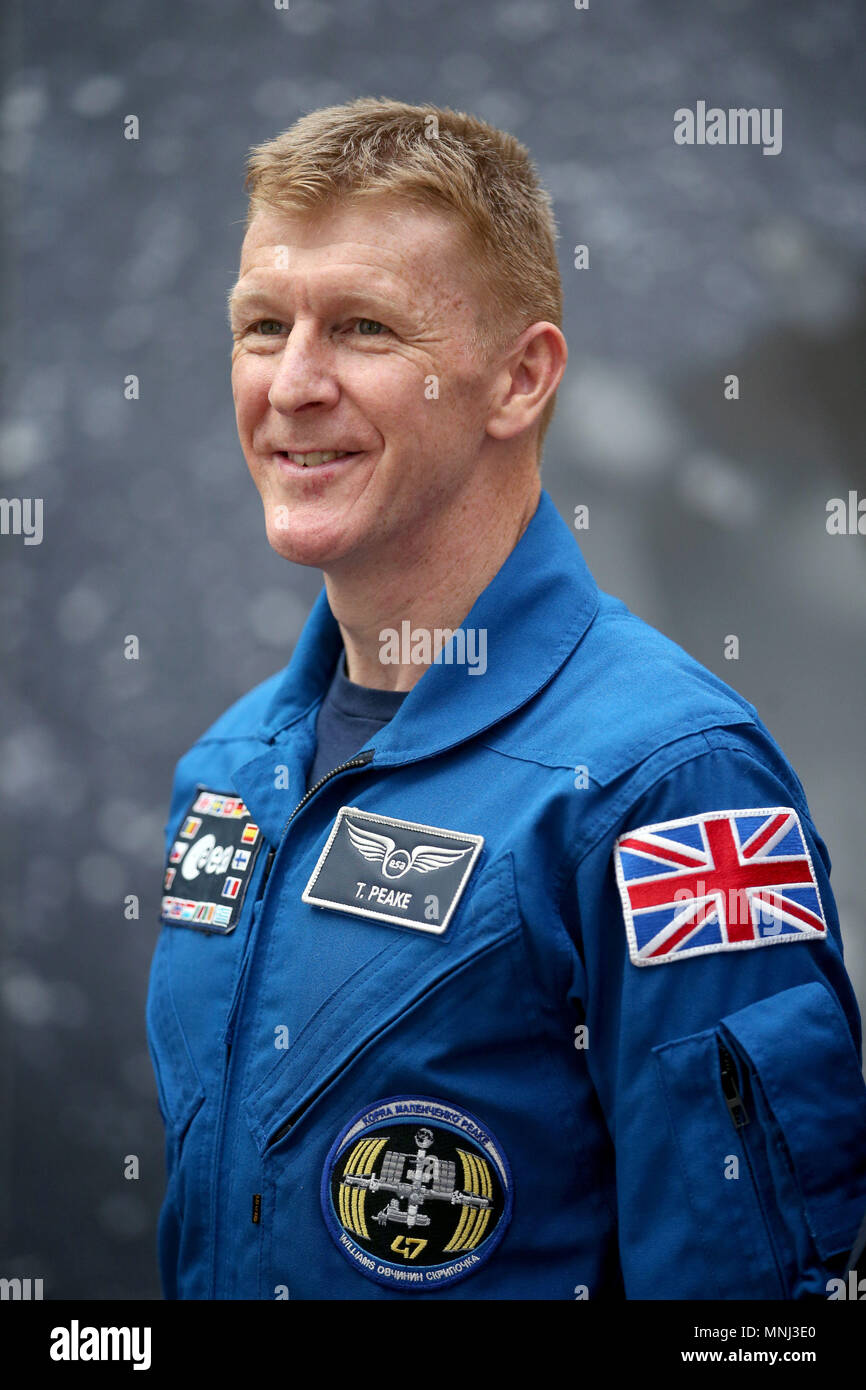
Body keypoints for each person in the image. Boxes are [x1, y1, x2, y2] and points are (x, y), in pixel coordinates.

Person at [146, 97, 866, 1301]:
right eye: (262, 325)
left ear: (519, 379)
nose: (292, 383)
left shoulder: (668, 784)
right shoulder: (228, 773)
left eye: (363, 327)